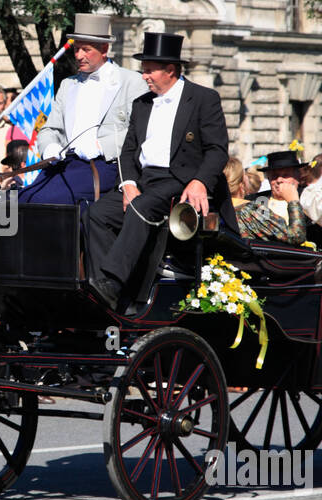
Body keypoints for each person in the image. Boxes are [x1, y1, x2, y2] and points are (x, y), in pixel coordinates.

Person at [84, 32, 235, 306]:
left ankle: (114, 283)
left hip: (181, 179)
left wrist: (200, 181)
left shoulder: (203, 98)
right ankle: (102, 287)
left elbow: (217, 149)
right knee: (97, 214)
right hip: (144, 180)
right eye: (143, 70)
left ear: (170, 70)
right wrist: (127, 182)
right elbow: (128, 150)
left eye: (150, 70)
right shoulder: (141, 104)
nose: (144, 76)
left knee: (142, 207)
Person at [22, 13, 149, 207]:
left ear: (104, 49)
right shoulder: (68, 84)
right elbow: (49, 129)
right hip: (64, 163)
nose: (78, 55)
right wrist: (49, 147)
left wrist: (101, 146)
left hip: (104, 165)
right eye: (76, 49)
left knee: (45, 202)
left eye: (86, 49)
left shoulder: (132, 82)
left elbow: (139, 131)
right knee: (19, 199)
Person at [234, 151, 307, 245]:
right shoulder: (256, 201)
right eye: (275, 176)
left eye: (285, 175)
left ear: (297, 176)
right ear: (268, 178)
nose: (279, 180)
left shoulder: (308, 199)